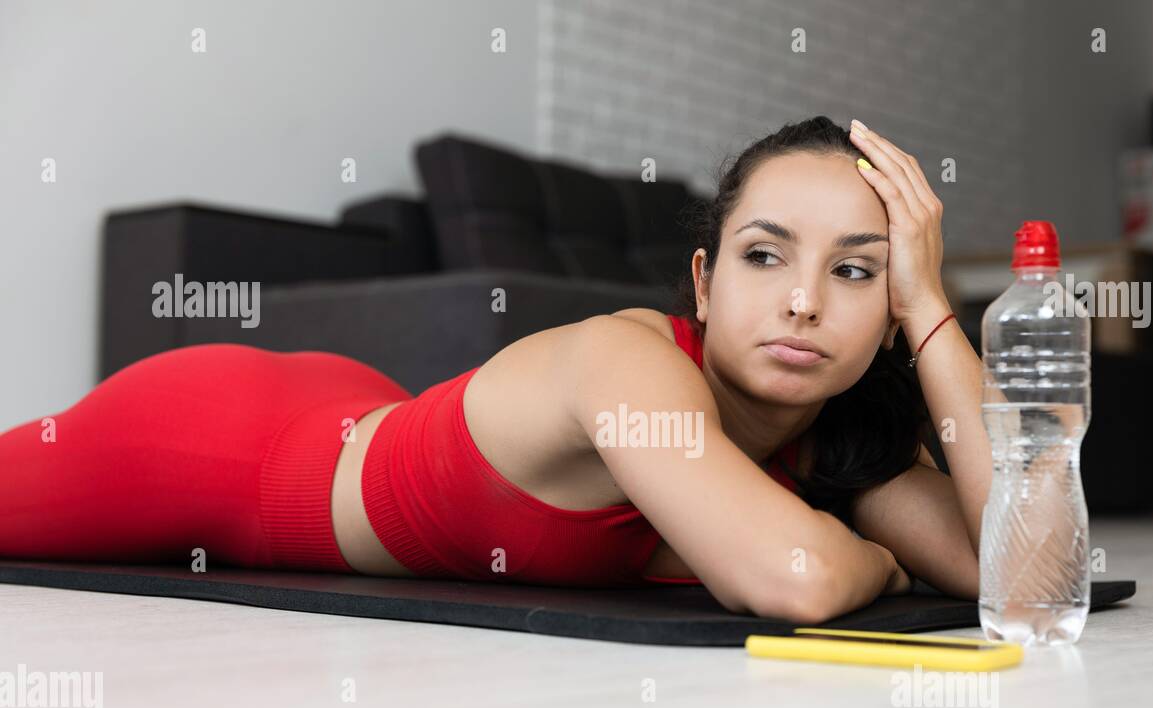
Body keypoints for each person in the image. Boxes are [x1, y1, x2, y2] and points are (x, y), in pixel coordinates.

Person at [0, 116, 987, 623]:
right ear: (702, 277)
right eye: (764, 255)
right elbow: (802, 574)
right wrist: (883, 562)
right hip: (225, 448)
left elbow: (1029, 572)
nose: (804, 298)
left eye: (856, 271)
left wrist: (933, 309)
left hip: (362, 407)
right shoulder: (623, 363)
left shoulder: (840, 440)